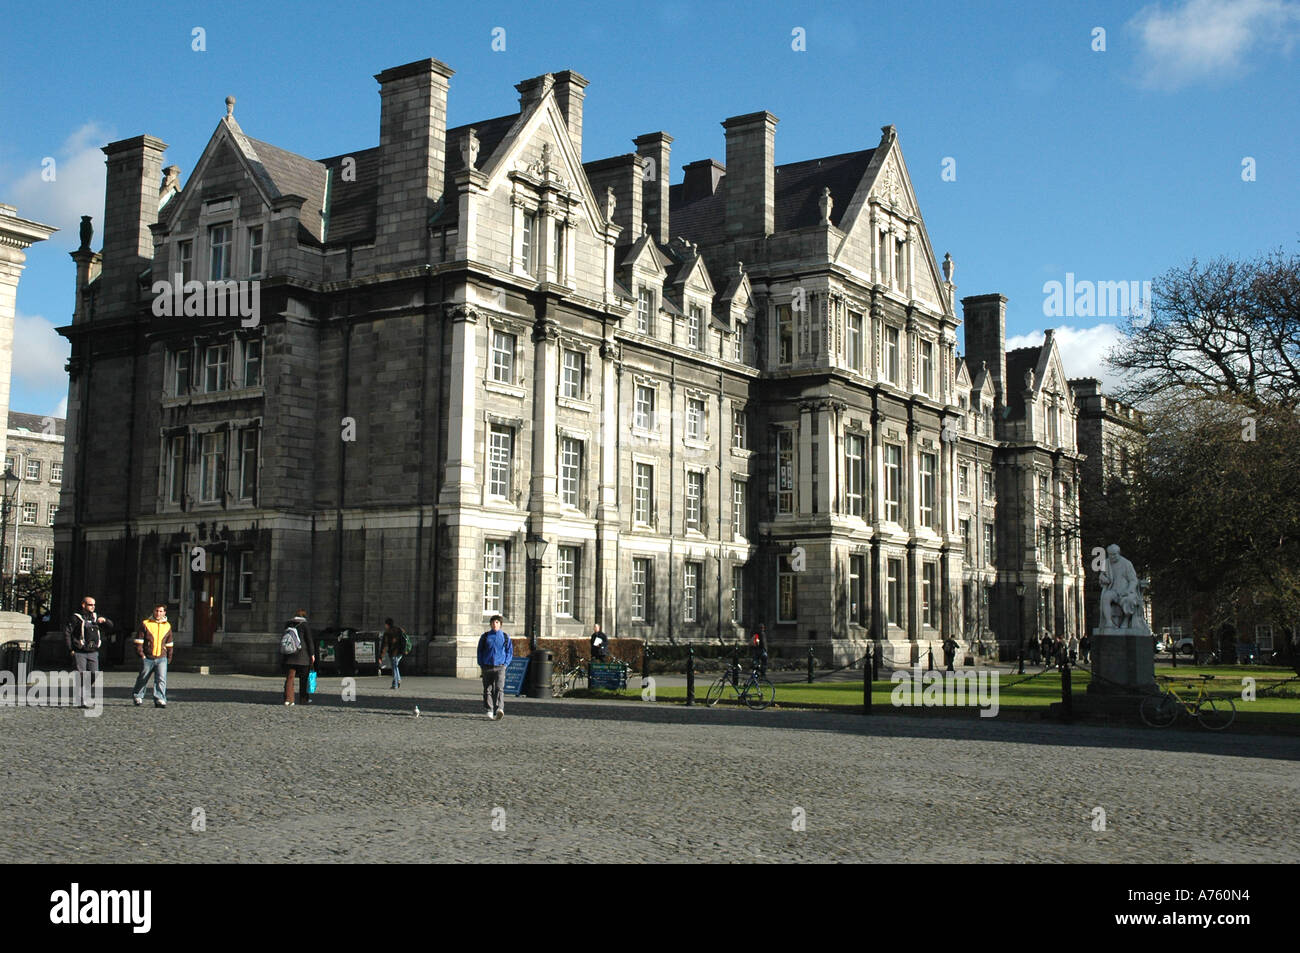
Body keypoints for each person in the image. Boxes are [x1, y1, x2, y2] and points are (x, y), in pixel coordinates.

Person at [64, 596, 114, 709]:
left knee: (93, 674)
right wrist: (70, 649)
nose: (93, 607)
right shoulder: (76, 618)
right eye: (90, 605)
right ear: (83, 605)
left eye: (94, 605)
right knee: (81, 675)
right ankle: (82, 699)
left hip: (93, 651)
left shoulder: (96, 617)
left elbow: (111, 626)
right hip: (79, 651)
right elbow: (67, 633)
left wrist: (105, 621)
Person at [131, 603, 174, 708]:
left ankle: (160, 698)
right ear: (153, 611)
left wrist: (169, 657)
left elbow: (169, 643)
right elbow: (139, 640)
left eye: (160, 611)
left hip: (161, 656)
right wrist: (141, 654)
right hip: (148, 656)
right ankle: (138, 696)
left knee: (161, 679)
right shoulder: (146, 624)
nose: (158, 613)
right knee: (143, 677)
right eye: (156, 611)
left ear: (164, 613)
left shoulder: (167, 625)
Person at [477, 615, 513, 720]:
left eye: (497, 622)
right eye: (493, 622)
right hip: (487, 666)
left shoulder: (505, 637)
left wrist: (505, 664)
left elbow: (509, 652)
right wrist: (481, 663)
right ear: (490, 624)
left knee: (499, 688)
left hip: (500, 666)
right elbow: (480, 651)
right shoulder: (485, 636)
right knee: (487, 689)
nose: (495, 624)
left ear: (500, 624)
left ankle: (499, 708)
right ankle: (489, 709)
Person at [282, 609, 315, 706]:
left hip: (290, 654)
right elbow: (309, 641)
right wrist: (312, 654)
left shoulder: (288, 624)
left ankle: (289, 699)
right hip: (303, 656)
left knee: (290, 678)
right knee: (303, 678)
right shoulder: (305, 625)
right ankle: (303, 699)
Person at [380, 618, 407, 689]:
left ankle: (395, 684)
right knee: (396, 666)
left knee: (394, 667)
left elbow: (385, 645)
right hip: (401, 652)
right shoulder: (399, 629)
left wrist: (381, 656)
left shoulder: (387, 632)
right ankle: (398, 680)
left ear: (387, 625)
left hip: (394, 652)